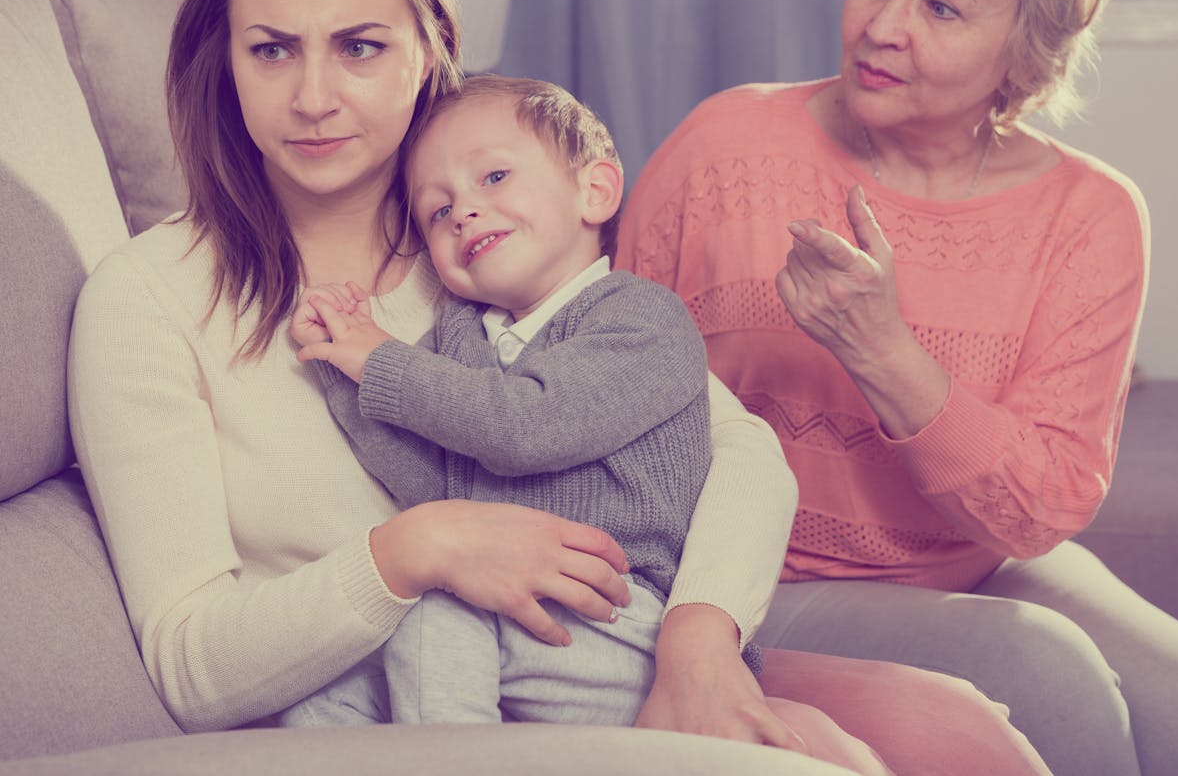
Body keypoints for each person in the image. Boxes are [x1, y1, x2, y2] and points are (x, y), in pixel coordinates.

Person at [64, 0, 1052, 776]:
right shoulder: (146, 302)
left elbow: (737, 452)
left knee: (958, 736)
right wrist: (419, 548)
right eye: (272, 50)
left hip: (618, 644)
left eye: (360, 47)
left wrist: (698, 647)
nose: (314, 97)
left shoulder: (486, 242)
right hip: (396, 707)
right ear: (223, 61)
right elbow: (191, 667)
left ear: (431, 50)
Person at [618, 0, 1178, 776]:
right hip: (757, 579)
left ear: (1025, 51)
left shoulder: (1090, 215)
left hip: (981, 560)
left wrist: (885, 352)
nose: (883, 26)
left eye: (941, 7)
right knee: (1049, 673)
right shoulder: (721, 146)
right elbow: (608, 397)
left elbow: (1037, 509)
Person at [279, 76, 893, 776]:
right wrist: (340, 364)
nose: (464, 212)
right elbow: (432, 484)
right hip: (510, 616)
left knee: (432, 618)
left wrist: (379, 358)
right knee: (322, 693)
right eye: (437, 210)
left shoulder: (642, 319)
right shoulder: (459, 344)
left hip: (622, 622)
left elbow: (528, 426)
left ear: (595, 192)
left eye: (495, 175)